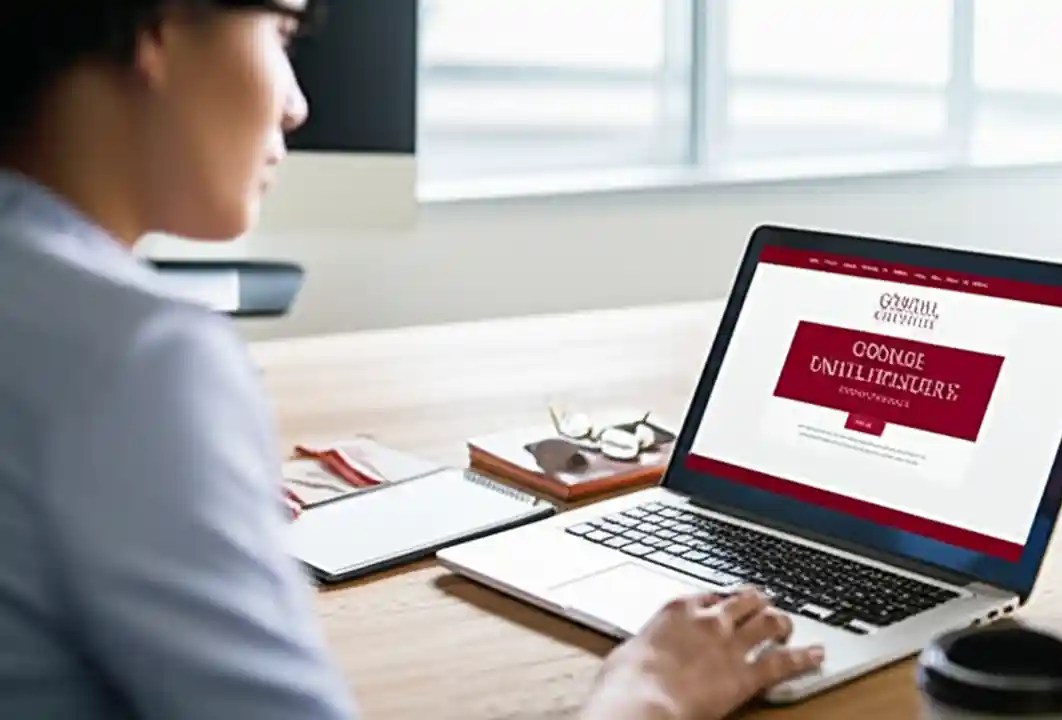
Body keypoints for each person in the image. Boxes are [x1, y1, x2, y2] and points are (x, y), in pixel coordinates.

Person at [0, 2, 825, 718]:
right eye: (283, 30)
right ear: (163, 25)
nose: (295, 104)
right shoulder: (139, 358)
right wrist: (646, 694)